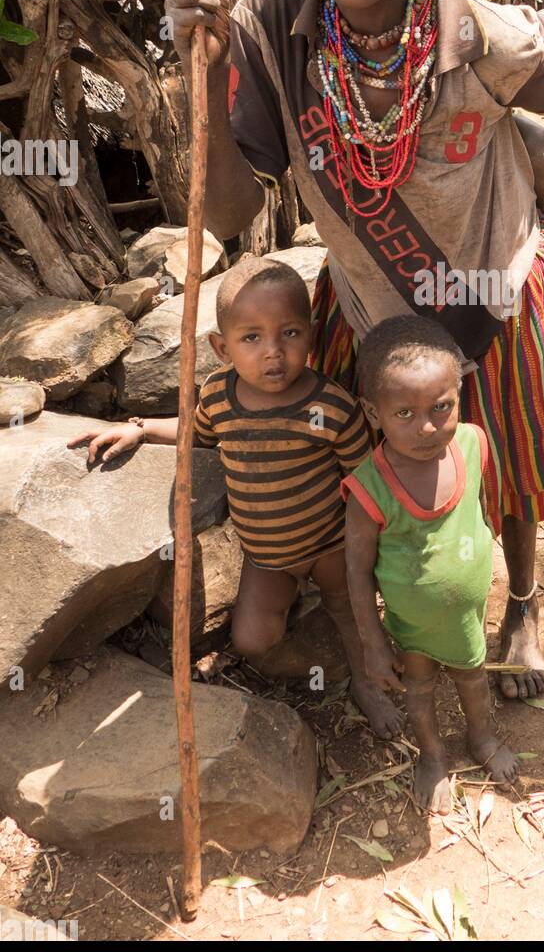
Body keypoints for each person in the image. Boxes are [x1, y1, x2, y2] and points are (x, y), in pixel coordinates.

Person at [164, 0, 544, 702]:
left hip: (489, 284)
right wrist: (213, 68)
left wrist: (536, 84)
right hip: (372, 298)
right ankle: (404, 598)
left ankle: (522, 600)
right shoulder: (275, 23)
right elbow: (233, 214)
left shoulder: (459, 20)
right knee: (388, 459)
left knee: (503, 455)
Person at [67, 255, 404, 738]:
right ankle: (300, 611)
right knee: (252, 640)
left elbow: (365, 484)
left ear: (311, 333)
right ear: (221, 347)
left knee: (348, 608)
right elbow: (198, 432)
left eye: (289, 333)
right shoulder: (219, 396)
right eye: (252, 338)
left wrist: (365, 555)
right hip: (268, 556)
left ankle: (364, 682)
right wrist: (141, 429)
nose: (274, 352)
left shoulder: (331, 406)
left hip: (330, 544)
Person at [342, 315, 518, 814]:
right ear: (373, 413)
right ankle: (433, 754)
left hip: (466, 615)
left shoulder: (472, 442)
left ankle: (481, 738)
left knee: (473, 675)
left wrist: (483, 548)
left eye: (441, 407)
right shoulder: (369, 488)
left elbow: (487, 505)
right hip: (413, 626)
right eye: (404, 414)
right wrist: (374, 645)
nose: (426, 427)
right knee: (419, 687)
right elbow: (356, 572)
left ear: (459, 395)